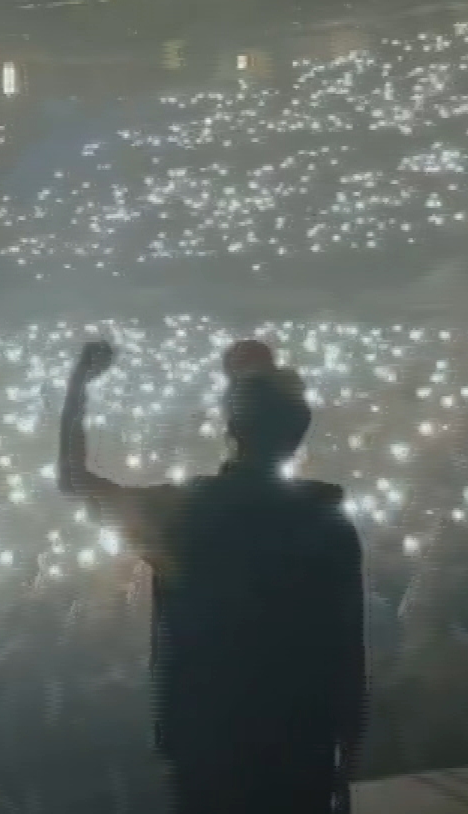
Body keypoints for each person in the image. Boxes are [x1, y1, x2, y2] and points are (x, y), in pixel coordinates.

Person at [58, 340, 364, 814]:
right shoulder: (328, 523)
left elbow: (75, 479)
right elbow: (346, 652)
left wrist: (78, 385)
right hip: (302, 740)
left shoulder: (184, 514)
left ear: (231, 429)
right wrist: (346, 760)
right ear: (298, 437)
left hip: (209, 736)